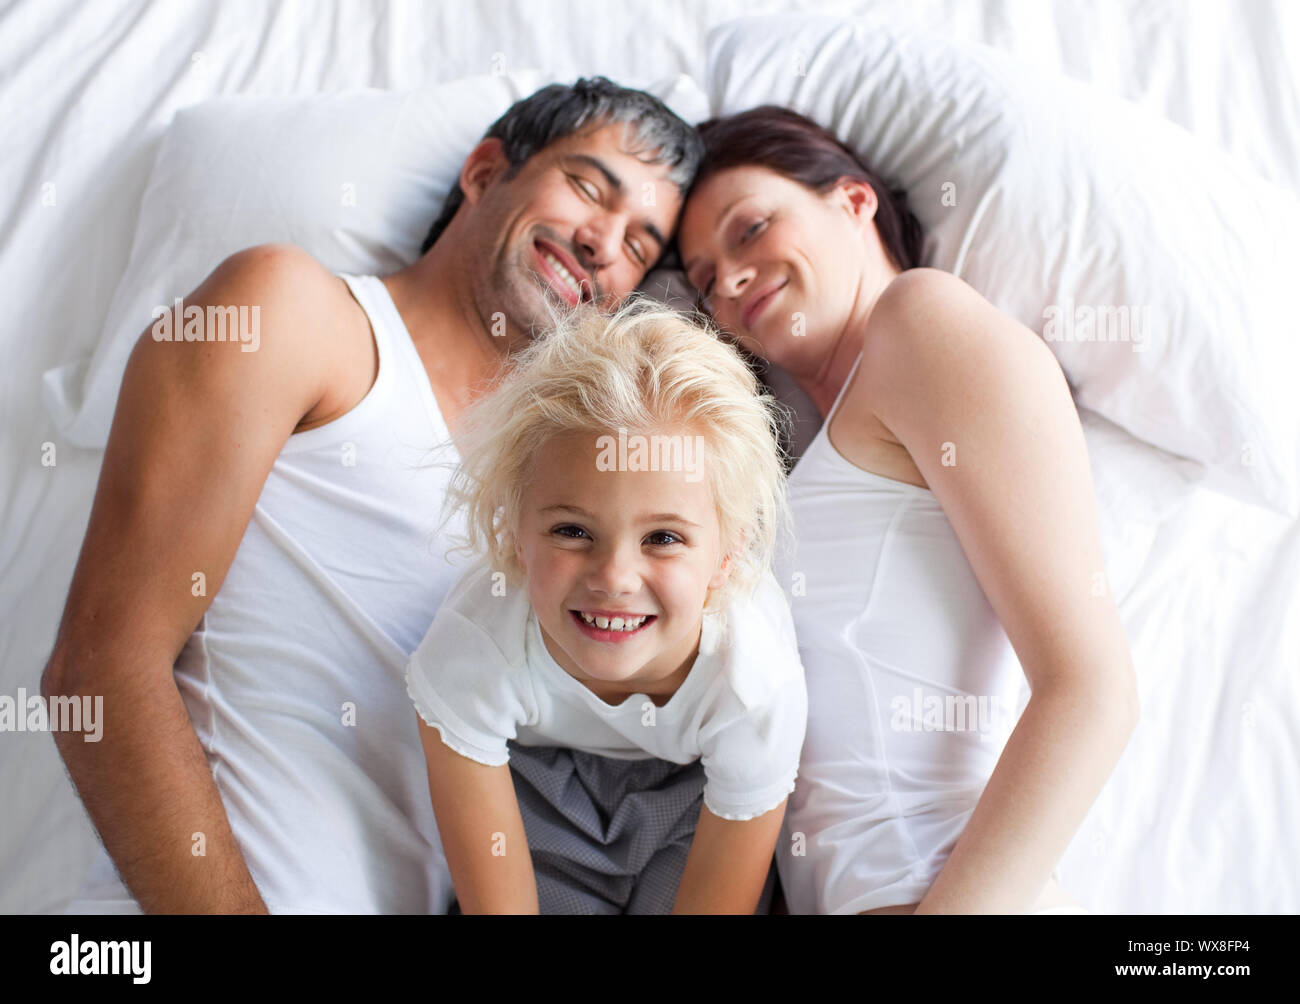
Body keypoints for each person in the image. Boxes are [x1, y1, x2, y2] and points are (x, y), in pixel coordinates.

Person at [39, 77, 702, 914]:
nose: (605, 243)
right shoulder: (293, 314)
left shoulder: (570, 491)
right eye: (587, 187)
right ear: (484, 171)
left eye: (642, 244)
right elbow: (97, 671)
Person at [676, 106, 1139, 915]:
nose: (731, 279)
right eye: (706, 277)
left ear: (853, 201)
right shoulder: (796, 458)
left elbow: (1092, 690)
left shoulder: (924, 319)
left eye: (749, 230)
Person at [404, 299, 807, 914]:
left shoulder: (755, 684)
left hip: (692, 799)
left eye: (663, 539)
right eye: (572, 531)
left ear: (729, 556)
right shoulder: (476, 646)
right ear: (514, 532)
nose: (615, 578)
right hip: (535, 785)